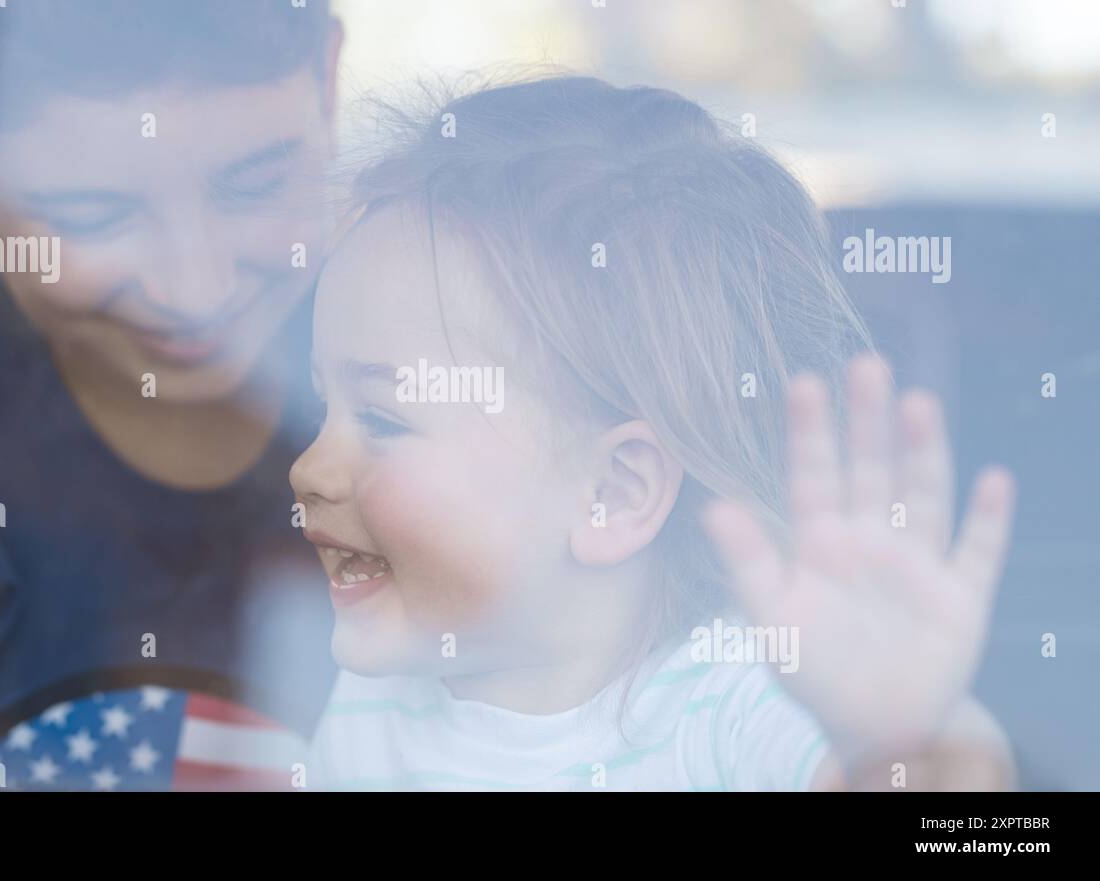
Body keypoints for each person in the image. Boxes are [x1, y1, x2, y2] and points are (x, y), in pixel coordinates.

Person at [292, 76, 1017, 791]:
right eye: (324, 403)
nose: (308, 467)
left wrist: (894, 742)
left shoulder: (747, 703)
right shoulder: (372, 705)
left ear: (613, 491)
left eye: (382, 420)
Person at [0, 0, 341, 789]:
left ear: (330, 87)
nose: (193, 286)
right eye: (93, 215)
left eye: (255, 185)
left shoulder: (465, 346)